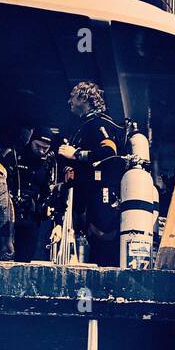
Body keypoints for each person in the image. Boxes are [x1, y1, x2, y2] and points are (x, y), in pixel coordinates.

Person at [56, 82, 122, 267]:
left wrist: (75, 154)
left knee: (102, 247)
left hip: (100, 196)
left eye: (74, 96)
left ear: (85, 97)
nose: (70, 100)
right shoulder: (83, 126)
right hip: (83, 200)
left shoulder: (99, 124)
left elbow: (109, 154)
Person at [0, 126, 58, 262]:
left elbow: (48, 190)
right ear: (31, 140)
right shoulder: (13, 155)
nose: (42, 151)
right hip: (7, 213)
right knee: (3, 255)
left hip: (31, 215)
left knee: (25, 257)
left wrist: (44, 207)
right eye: (38, 146)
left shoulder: (48, 162)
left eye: (46, 148)